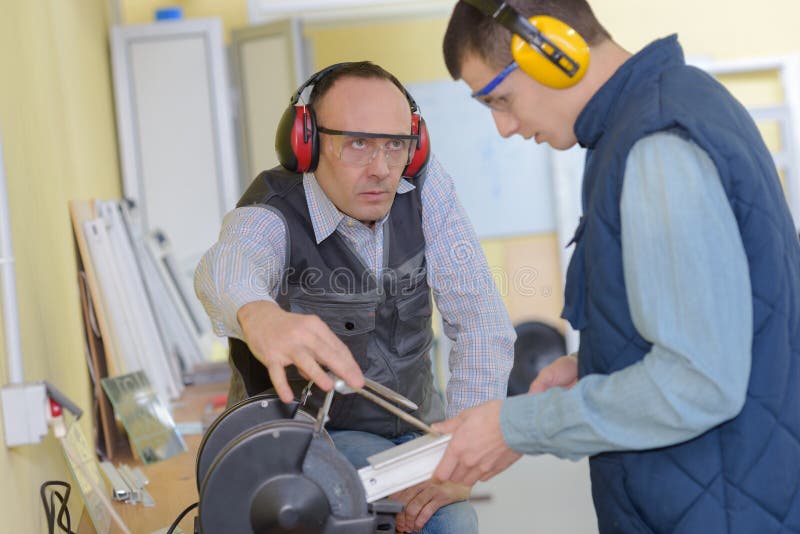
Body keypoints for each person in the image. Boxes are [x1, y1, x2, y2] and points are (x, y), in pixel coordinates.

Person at [432, 1, 800, 532]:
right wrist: (600, 361)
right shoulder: (671, 108)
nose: (503, 127)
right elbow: (715, 322)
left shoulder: (656, 143)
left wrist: (515, 426)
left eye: (501, 99)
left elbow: (698, 382)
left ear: (554, 52)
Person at [194, 61, 515, 534]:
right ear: (307, 142)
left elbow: (481, 321)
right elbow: (226, 265)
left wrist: (462, 458)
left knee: (450, 518)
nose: (382, 169)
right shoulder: (271, 208)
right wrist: (258, 313)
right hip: (306, 438)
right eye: (358, 143)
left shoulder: (425, 189)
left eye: (396, 144)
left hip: (413, 430)